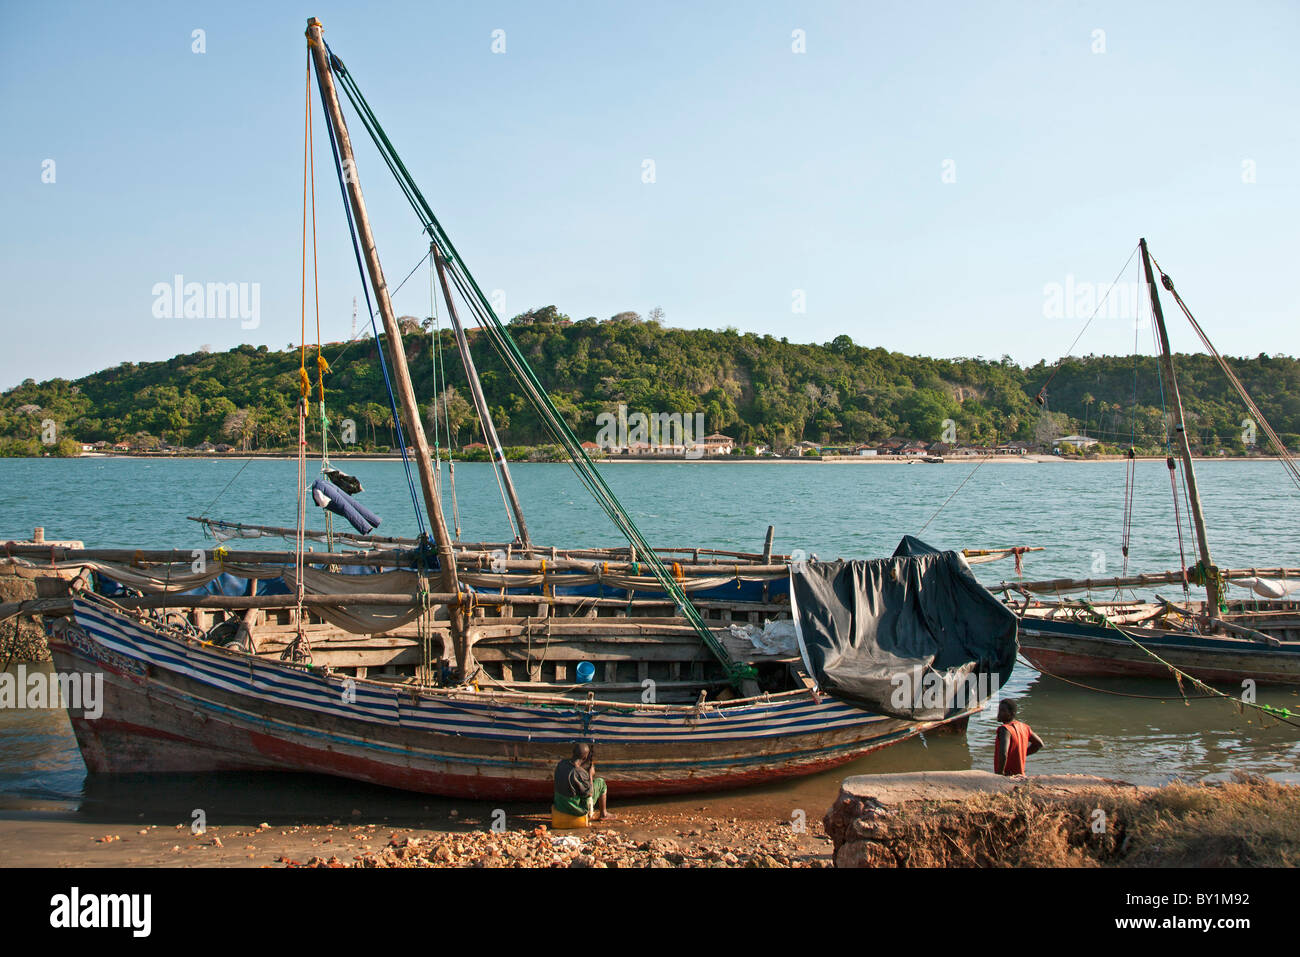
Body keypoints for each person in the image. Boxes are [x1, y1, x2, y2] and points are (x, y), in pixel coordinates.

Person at [553, 741, 610, 821]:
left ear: (573, 752)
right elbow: (589, 793)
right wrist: (590, 775)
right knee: (601, 782)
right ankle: (604, 814)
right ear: (585, 758)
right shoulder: (580, 773)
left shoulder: (561, 763)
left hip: (560, 805)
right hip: (576, 809)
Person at [993, 699, 1043, 775]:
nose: (999, 713)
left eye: (1002, 711)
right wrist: (1022, 754)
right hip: (1021, 775)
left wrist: (1000, 774)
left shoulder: (1005, 729)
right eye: (999, 710)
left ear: (1011, 713)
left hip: (1008, 775)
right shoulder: (1025, 727)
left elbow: (1004, 753)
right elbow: (1039, 744)